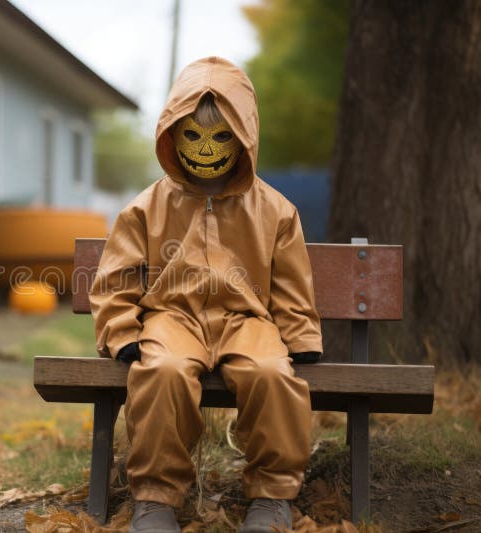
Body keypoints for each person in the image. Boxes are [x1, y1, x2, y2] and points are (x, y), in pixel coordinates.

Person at [89, 56, 322, 533]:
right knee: (163, 371)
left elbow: (291, 284)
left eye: (222, 137)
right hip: (171, 318)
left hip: (247, 321)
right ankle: (155, 498)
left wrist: (300, 336)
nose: (207, 148)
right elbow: (116, 279)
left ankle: (272, 496)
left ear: (244, 139)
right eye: (192, 134)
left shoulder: (276, 211)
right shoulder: (147, 207)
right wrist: (121, 331)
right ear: (172, 134)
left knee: (272, 373)